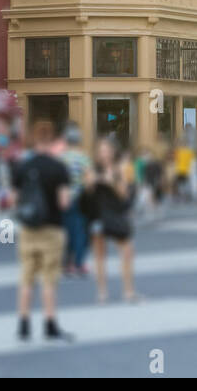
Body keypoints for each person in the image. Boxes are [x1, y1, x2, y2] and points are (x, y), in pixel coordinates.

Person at [11, 121, 73, 341]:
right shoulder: (59, 168)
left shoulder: (22, 167)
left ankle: (24, 324)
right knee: (49, 279)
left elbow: (13, 200)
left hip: (28, 229)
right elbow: (64, 202)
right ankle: (49, 324)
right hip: (52, 229)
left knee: (26, 277)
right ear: (53, 140)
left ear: (34, 140)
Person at [86, 136, 138, 304]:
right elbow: (87, 192)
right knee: (100, 254)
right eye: (101, 150)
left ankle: (128, 291)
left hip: (115, 215)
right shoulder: (92, 169)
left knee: (128, 251)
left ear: (113, 152)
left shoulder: (119, 169)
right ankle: (102, 293)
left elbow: (124, 194)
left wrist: (112, 182)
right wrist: (93, 181)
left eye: (107, 150)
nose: (105, 154)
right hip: (98, 215)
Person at [60, 124, 91, 277]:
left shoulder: (61, 158)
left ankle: (67, 263)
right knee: (80, 231)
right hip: (80, 198)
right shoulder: (83, 158)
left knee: (66, 231)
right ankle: (79, 263)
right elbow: (88, 179)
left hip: (65, 199)